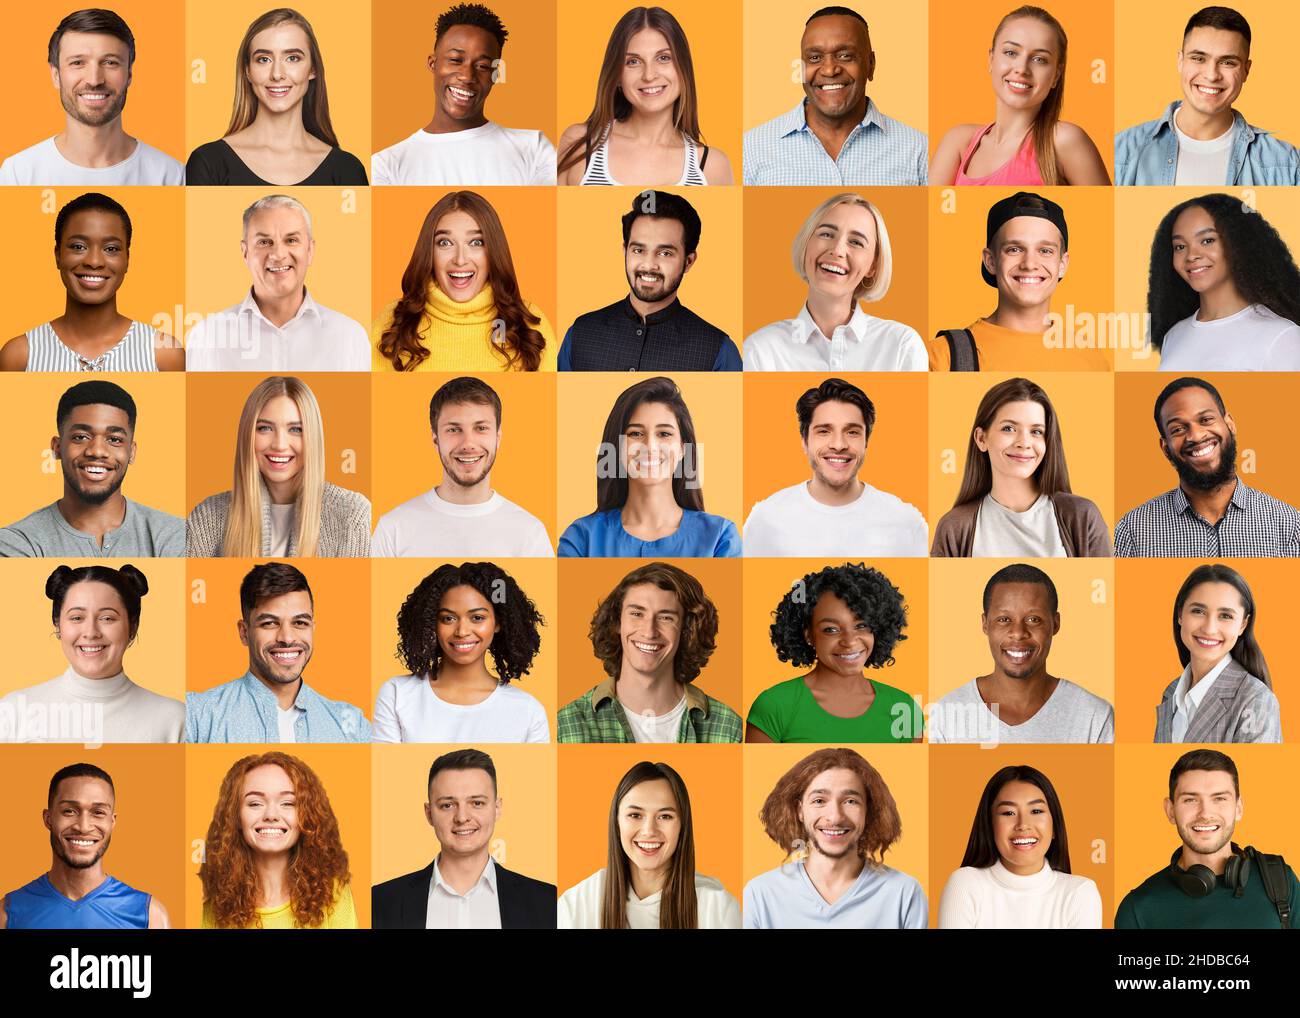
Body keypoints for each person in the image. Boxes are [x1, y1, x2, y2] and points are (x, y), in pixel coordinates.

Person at [186, 376, 371, 557]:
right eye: (265, 428)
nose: (280, 444)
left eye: (296, 429)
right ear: (247, 434)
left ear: (313, 438)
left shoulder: (351, 516)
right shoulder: (208, 517)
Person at [371, 4, 556, 186]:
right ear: (432, 64)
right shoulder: (387, 165)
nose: (467, 76)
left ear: (495, 76)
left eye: (483, 66)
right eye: (455, 60)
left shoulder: (534, 148)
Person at [1114, 376, 1300, 557]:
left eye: (1205, 420)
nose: (1195, 436)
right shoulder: (1133, 531)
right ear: (1165, 448)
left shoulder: (1289, 525)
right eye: (1178, 429)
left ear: (1230, 424)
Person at [185, 562, 371, 743]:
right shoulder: (196, 716)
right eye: (269, 623)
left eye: (300, 623)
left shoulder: (353, 725)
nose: (287, 638)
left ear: (312, 628)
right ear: (244, 632)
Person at [928, 564, 1114, 744]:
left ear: (1055, 624)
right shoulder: (945, 714)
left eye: (1034, 619)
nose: (1018, 632)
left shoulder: (1095, 717)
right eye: (1004, 619)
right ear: (985, 624)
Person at [371, 749, 557, 928]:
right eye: (447, 805)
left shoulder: (546, 902)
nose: (461, 817)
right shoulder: (382, 901)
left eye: (477, 803)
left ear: (497, 808)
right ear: (429, 814)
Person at [557, 562, 741, 743]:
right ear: (617, 622)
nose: (649, 632)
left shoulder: (727, 727)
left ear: (687, 630)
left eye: (666, 618)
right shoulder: (567, 724)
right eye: (637, 614)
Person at [556, 191, 741, 371]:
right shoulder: (581, 333)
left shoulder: (717, 351)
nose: (649, 264)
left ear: (688, 262)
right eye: (638, 250)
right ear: (625, 251)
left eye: (665, 253)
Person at [1114, 7, 1300, 186]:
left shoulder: (1287, 163)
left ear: (1246, 70)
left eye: (1227, 62)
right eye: (1198, 58)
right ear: (1180, 61)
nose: (1212, 75)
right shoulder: (1122, 150)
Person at [742, 378, 928, 557]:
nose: (839, 445)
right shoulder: (766, 519)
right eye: (824, 431)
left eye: (852, 432)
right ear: (805, 442)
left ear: (866, 441)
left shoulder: (906, 522)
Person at [373, 191, 556, 372]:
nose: (460, 260)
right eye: (445, 243)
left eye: (476, 242)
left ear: (493, 251)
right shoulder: (391, 321)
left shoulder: (530, 323)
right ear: (429, 251)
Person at [742, 7, 928, 186]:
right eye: (815, 58)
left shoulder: (918, 149)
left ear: (871, 65)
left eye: (845, 55)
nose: (830, 70)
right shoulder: (751, 149)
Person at [558, 376, 740, 557]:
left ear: (683, 448)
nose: (650, 447)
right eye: (636, 433)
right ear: (617, 446)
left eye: (664, 434)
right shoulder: (581, 539)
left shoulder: (720, 538)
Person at [744, 748, 926, 928]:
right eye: (819, 801)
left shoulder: (904, 893)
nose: (835, 817)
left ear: (869, 811)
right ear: (800, 810)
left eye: (850, 801)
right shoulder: (761, 894)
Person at [1115, 749, 1299, 928]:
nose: (1205, 813)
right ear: (1170, 811)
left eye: (1219, 799)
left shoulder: (1281, 879)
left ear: (1238, 808)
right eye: (1190, 800)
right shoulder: (1138, 909)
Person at [185, 195, 370, 372]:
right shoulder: (207, 337)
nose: (278, 254)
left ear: (310, 250)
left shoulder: (349, 336)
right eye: (264, 242)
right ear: (245, 252)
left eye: (291, 240)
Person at [742, 193, 926, 371]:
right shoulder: (760, 350)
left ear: (873, 266)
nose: (837, 250)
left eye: (856, 242)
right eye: (826, 234)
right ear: (807, 245)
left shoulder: (902, 346)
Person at [0, 565, 183, 743]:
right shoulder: (14, 710)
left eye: (107, 618)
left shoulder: (175, 719)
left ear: (132, 627)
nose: (91, 632)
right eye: (77, 618)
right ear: (58, 626)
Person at [1, 192, 182, 372]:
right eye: (78, 247)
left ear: (127, 258)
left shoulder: (164, 354)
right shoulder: (19, 356)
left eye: (111, 248)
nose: (94, 262)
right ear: (58, 255)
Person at [371, 377, 553, 556]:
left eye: (481, 428)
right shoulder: (392, 528)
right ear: (436, 439)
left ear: (498, 438)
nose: (468, 444)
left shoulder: (530, 533)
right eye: (453, 429)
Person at [0, 381, 184, 557]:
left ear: (132, 452)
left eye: (114, 439)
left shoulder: (174, 535)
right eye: (80, 437)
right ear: (57, 448)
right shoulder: (18, 541)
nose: (97, 451)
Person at [0, 9, 184, 185]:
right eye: (77, 62)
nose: (94, 80)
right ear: (56, 75)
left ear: (129, 75)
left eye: (110, 62)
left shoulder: (171, 176)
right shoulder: (17, 174)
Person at [930, 6, 1109, 186]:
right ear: (991, 60)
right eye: (1011, 53)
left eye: (1039, 59)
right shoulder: (958, 142)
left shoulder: (1065, 141)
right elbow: (930, 213)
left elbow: (1105, 213)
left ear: (1056, 75)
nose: (1022, 69)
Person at [931, 377, 1111, 556]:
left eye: (1036, 432)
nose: (1024, 443)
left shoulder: (1083, 516)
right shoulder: (953, 527)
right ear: (981, 438)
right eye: (1009, 428)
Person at [929, 191, 1108, 371]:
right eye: (1014, 249)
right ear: (990, 261)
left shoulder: (1091, 358)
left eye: (1045, 251)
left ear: (1062, 264)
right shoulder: (941, 356)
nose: (1029, 264)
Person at [186, 8, 367, 185]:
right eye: (264, 59)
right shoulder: (207, 162)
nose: (277, 74)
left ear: (313, 69)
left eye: (292, 58)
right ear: (247, 71)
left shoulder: (347, 169)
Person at [372, 563, 549, 743]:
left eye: (477, 618)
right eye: (448, 618)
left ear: (498, 622)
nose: (462, 631)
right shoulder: (397, 695)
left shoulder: (528, 711)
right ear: (432, 623)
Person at [747, 564, 922, 744]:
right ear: (809, 636)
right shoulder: (775, 705)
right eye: (831, 629)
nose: (849, 641)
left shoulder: (903, 708)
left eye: (861, 625)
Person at [557, 7, 732, 186]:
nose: (649, 75)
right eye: (633, 62)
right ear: (617, 76)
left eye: (663, 58)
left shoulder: (712, 166)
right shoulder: (578, 144)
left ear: (684, 69)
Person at [558, 761, 740, 928]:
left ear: (682, 825)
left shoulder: (718, 910)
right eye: (635, 815)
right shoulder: (575, 906)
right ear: (617, 822)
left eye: (665, 816)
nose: (649, 830)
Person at [200, 751, 358, 928]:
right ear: (235, 816)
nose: (271, 815)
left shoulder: (332, 895)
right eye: (255, 803)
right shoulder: (216, 908)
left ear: (306, 816)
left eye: (287, 803)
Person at [0, 764, 169, 928]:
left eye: (98, 812)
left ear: (112, 822)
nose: (83, 826)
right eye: (69, 811)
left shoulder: (149, 915)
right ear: (48, 819)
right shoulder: (7, 914)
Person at [1147, 193, 1300, 371]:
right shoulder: (1174, 335)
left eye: (1207, 240)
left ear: (1237, 244)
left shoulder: (1281, 336)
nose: (1191, 255)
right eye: (1180, 246)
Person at [938, 765, 1102, 928]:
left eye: (1036, 811)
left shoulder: (1080, 892)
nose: (1023, 825)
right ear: (990, 825)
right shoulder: (964, 885)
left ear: (1055, 826)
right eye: (1008, 813)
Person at [1156, 564, 1281, 743]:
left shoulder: (1256, 700)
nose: (1209, 628)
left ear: (1243, 625)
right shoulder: (1171, 692)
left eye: (1225, 616)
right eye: (1198, 611)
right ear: (1180, 614)